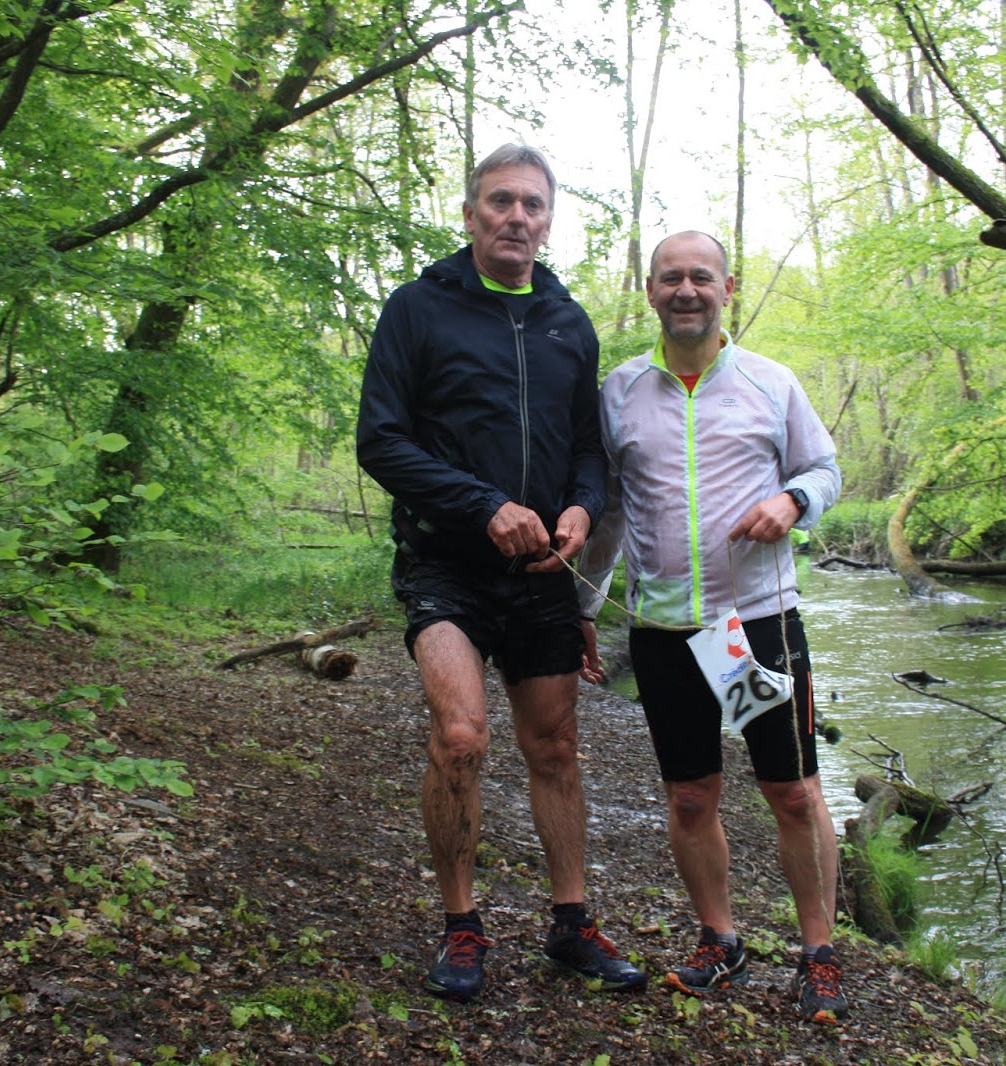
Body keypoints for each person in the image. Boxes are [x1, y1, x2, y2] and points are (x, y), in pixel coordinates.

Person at [355, 144, 647, 1004]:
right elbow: (381, 441)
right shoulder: (419, 309)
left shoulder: (569, 322)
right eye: (500, 202)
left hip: (545, 572)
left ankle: (570, 925)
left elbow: (589, 451)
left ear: (548, 218)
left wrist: (583, 511)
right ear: (472, 213)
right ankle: (462, 925)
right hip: (447, 560)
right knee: (461, 737)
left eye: (532, 205)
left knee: (555, 746)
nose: (517, 217)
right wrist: (484, 506)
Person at [576, 230, 848, 1023]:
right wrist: (583, 610)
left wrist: (793, 502)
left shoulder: (770, 383)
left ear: (728, 286)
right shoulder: (621, 391)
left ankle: (820, 952)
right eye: (671, 278)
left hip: (754, 626)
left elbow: (824, 469)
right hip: (663, 633)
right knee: (692, 798)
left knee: (792, 793)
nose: (686, 289)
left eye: (701, 277)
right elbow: (611, 513)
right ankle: (719, 940)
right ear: (651, 290)